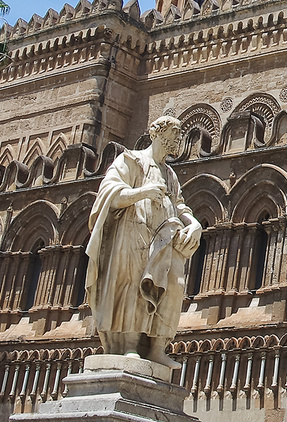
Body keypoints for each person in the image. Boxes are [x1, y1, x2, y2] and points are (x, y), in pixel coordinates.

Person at [84, 115, 203, 363]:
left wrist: (194, 223)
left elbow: (179, 205)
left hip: (165, 236)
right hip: (133, 231)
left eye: (179, 136)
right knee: (133, 286)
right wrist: (141, 193)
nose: (178, 140)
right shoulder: (131, 160)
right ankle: (130, 344)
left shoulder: (169, 173)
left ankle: (157, 349)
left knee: (173, 286)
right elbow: (110, 193)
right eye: (174, 134)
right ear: (158, 134)